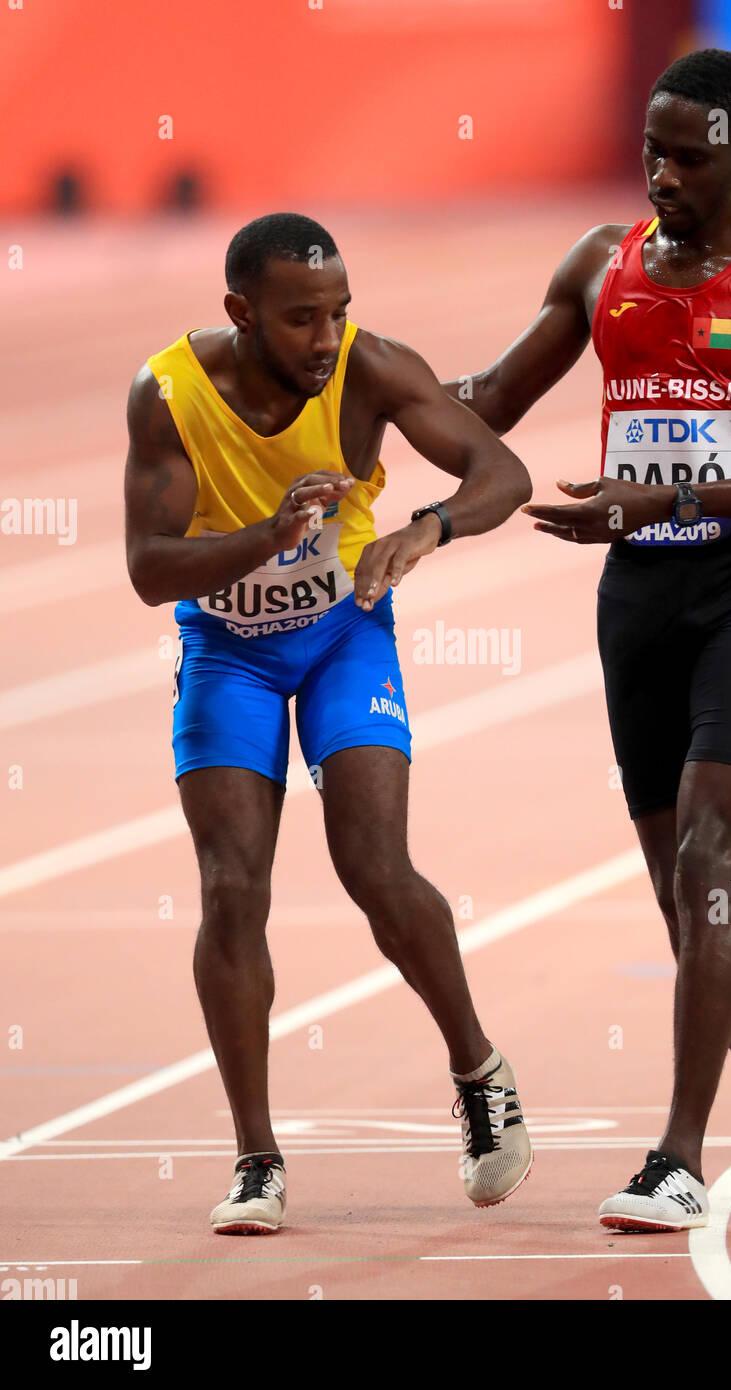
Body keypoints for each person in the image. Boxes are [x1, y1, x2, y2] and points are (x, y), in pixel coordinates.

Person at [445, 49, 731, 1231]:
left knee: (707, 866)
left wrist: (672, 503)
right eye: (649, 150)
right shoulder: (599, 264)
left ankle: (675, 1156)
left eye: (685, 155)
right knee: (687, 901)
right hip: (634, 594)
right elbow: (490, 397)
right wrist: (357, 397)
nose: (660, 175)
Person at [124, 213, 534, 1233]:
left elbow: (500, 472)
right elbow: (146, 569)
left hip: (344, 632)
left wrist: (424, 528)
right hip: (229, 647)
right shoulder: (169, 393)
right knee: (230, 886)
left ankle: (478, 1069)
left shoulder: (370, 371)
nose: (324, 337)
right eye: (300, 317)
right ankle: (256, 1157)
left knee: (373, 866)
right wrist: (263, 536)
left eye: (337, 312)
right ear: (240, 313)